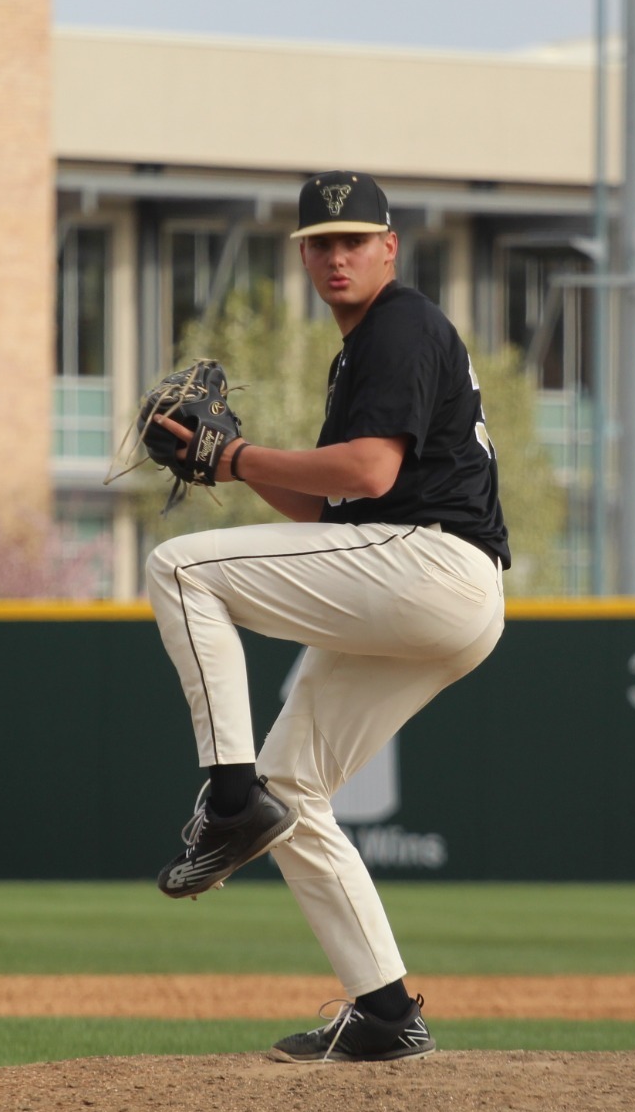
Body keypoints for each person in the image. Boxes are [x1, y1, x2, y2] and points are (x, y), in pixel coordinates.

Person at [142, 170, 510, 1063]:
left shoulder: (401, 324)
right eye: (322, 242)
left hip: (430, 562)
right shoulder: (366, 350)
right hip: (434, 583)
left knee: (178, 567)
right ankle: (384, 1010)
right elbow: (333, 513)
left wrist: (237, 452)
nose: (338, 255)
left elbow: (371, 475)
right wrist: (235, 463)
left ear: (390, 248)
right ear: (304, 256)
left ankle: (229, 801)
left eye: (355, 240)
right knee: (297, 786)